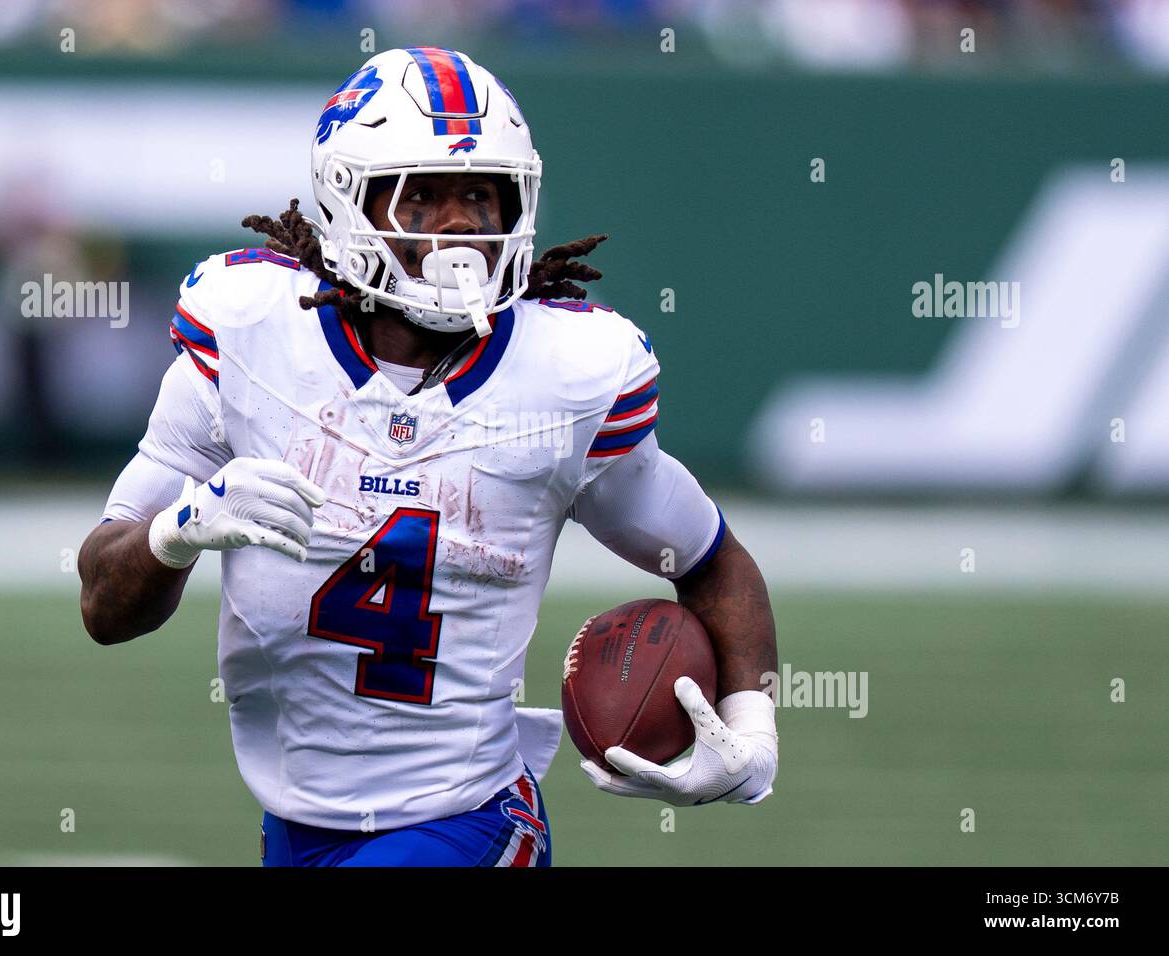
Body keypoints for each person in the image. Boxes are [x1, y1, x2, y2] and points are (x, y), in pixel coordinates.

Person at [78, 47, 779, 867]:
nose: (459, 225)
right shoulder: (248, 334)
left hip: (465, 820)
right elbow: (103, 607)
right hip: (295, 828)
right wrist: (179, 532)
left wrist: (754, 729)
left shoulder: (568, 377)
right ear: (350, 202)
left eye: (481, 195)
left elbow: (709, 558)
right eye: (425, 196)